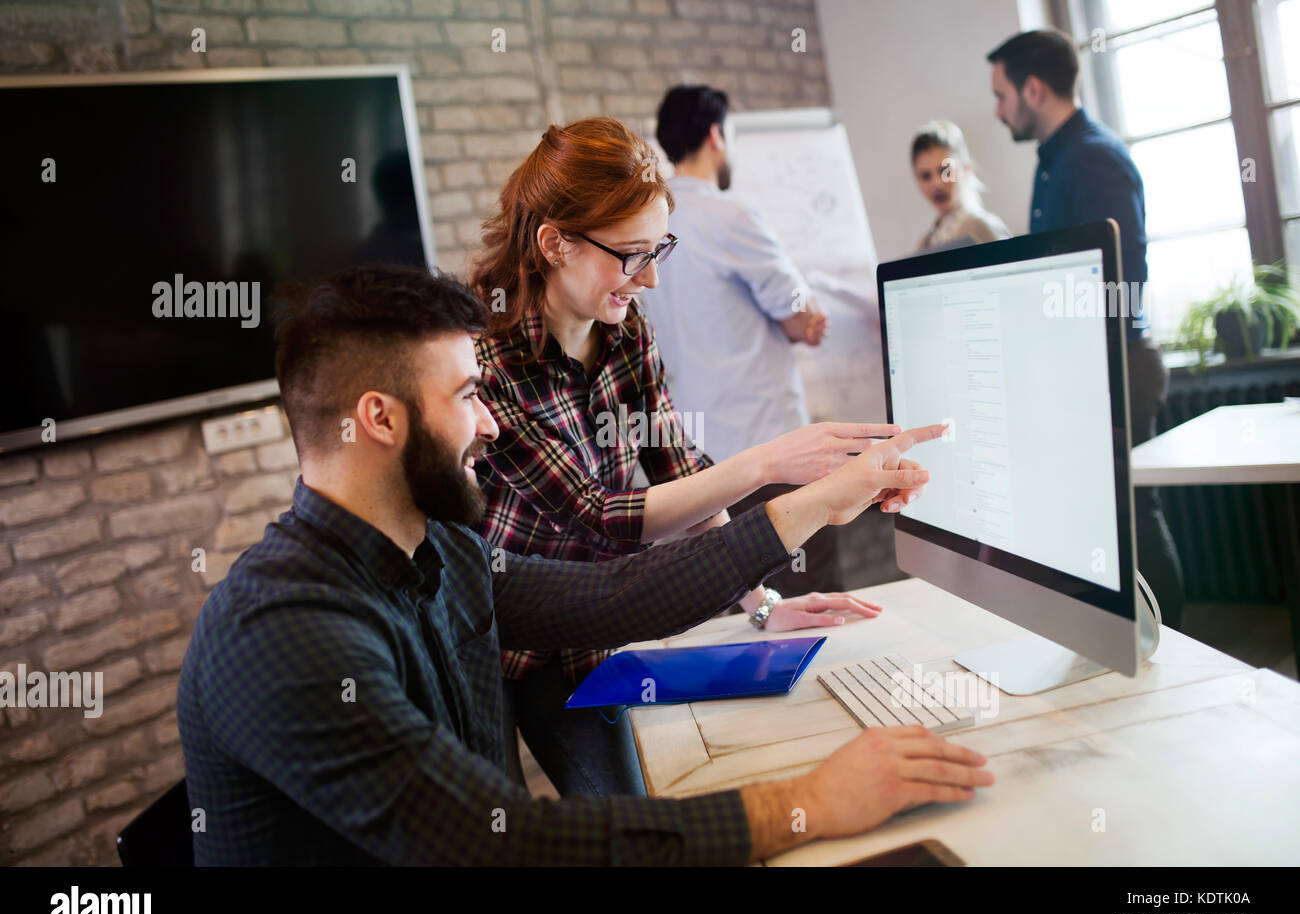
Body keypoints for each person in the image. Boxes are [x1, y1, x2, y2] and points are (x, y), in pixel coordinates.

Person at [176, 263, 991, 865]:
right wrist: (808, 803)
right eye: (466, 396)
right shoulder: (279, 634)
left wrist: (812, 503)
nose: (491, 425)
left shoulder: (438, 547)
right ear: (379, 419)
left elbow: (612, 595)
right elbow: (502, 847)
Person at [469, 117, 905, 798]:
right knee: (494, 824)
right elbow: (599, 515)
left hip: (590, 631)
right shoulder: (487, 359)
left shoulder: (623, 330)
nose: (647, 281)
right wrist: (766, 464)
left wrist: (758, 605)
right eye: (628, 256)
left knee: (626, 810)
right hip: (494, 635)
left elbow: (678, 467)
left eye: (656, 252)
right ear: (554, 243)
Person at [987, 28, 1185, 628]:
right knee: (1099, 521)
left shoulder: (1093, 157)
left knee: (1131, 516)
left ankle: (1168, 644)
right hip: (1081, 371)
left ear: (1035, 88)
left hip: (1115, 366)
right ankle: (1121, 642)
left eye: (1001, 96)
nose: (997, 111)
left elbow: (1123, 279)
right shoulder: (1053, 162)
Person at [649, 85, 845, 598]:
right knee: (809, 602)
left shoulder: (649, 227)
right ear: (716, 134)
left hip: (700, 481)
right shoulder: (731, 215)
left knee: (739, 616)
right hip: (772, 460)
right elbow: (801, 318)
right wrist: (806, 318)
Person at [910, 119, 1011, 250]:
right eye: (926, 176)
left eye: (945, 171)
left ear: (966, 169)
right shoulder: (924, 244)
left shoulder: (982, 228)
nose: (937, 184)